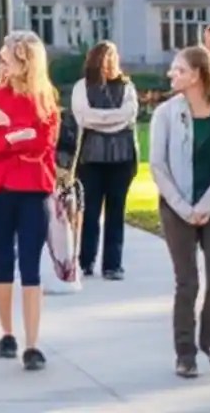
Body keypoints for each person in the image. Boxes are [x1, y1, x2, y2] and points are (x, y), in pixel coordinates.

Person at [149, 46, 210, 378]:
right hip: (177, 209)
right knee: (187, 282)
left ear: (198, 74)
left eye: (179, 70)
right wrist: (186, 209)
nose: (171, 75)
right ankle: (185, 353)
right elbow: (158, 167)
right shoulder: (166, 114)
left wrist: (205, 207)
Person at [0, 30, 60, 371]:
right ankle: (7, 333)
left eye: (7, 59)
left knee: (30, 264)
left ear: (25, 62)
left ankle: (33, 344)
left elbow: (43, 143)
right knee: (2, 260)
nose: (2, 65)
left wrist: (9, 137)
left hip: (33, 188)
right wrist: (15, 137)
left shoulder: (44, 98)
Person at [70, 41, 140, 280]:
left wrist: (101, 119)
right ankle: (85, 261)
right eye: (105, 58)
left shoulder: (126, 86)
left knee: (116, 212)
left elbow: (129, 114)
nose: (110, 63)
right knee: (89, 212)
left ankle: (112, 264)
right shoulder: (82, 87)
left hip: (121, 158)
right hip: (91, 159)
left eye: (113, 58)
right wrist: (111, 119)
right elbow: (83, 116)